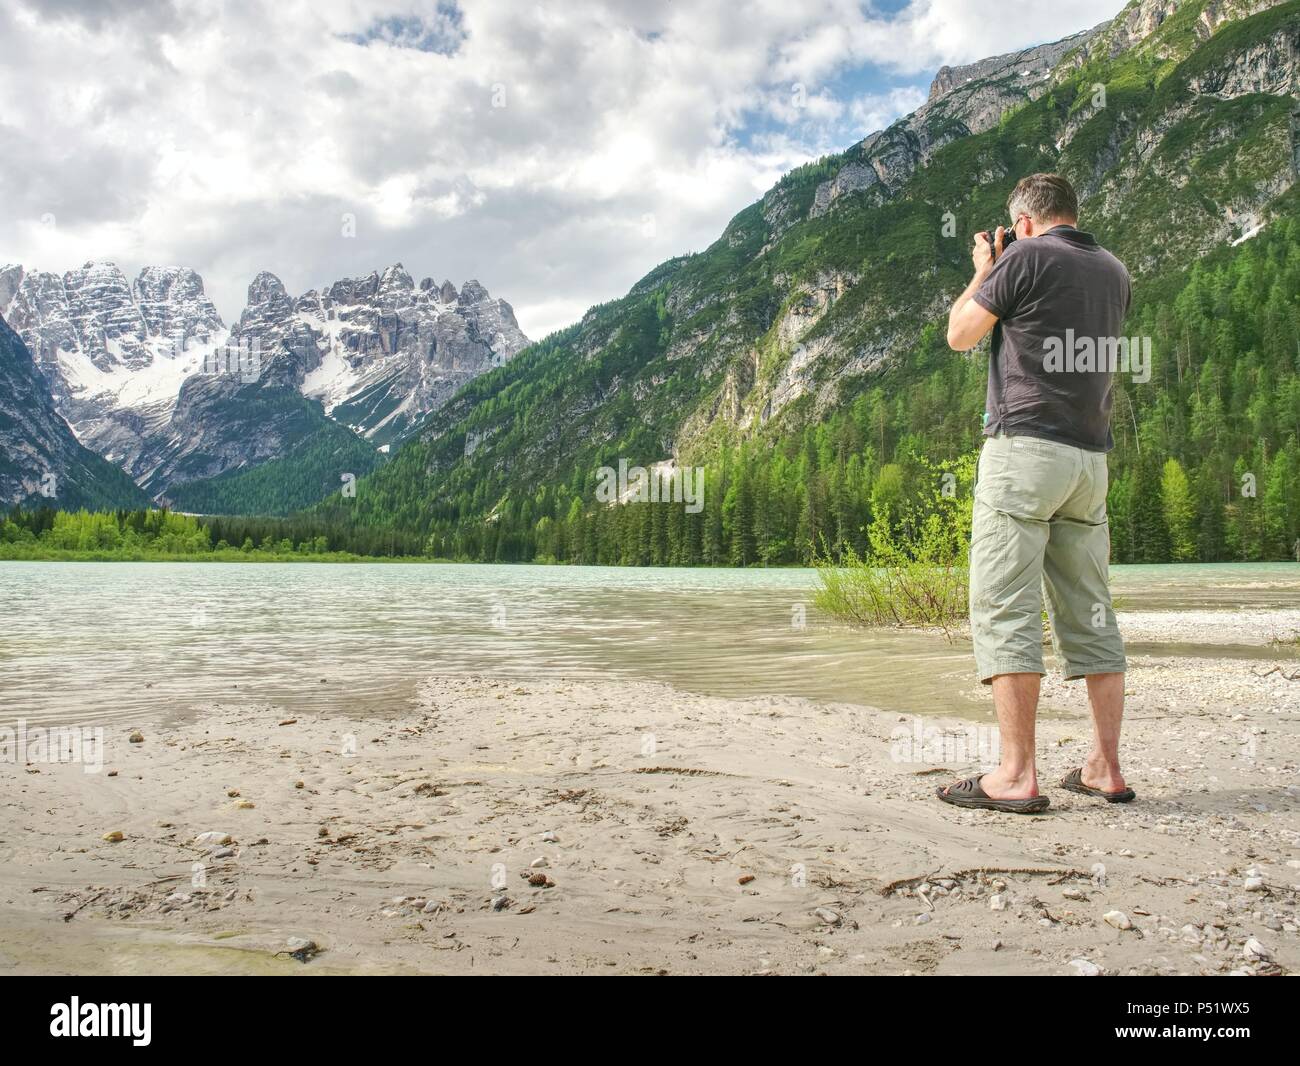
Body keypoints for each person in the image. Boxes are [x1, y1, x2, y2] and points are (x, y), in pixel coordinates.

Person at [939, 172, 1136, 814]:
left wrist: (982, 269)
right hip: (1089, 459)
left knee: (1005, 606)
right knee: (1091, 608)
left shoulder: (1023, 256)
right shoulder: (1114, 270)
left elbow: (961, 333)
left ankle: (1016, 775)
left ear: (1023, 221)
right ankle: (1105, 766)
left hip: (1024, 449)